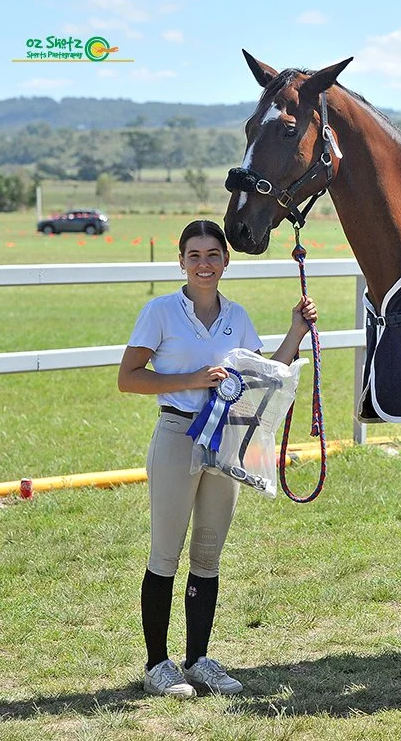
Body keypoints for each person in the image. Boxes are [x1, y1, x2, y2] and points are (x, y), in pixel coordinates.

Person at [118, 219, 317, 698]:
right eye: (195, 256)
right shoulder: (161, 312)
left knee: (207, 555)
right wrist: (191, 379)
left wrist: (295, 330)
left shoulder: (238, 317)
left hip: (225, 442)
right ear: (181, 261)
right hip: (176, 436)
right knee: (165, 551)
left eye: (213, 256)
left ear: (225, 262)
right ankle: (156, 664)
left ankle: (199, 658)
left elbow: (264, 375)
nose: (204, 265)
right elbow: (129, 377)